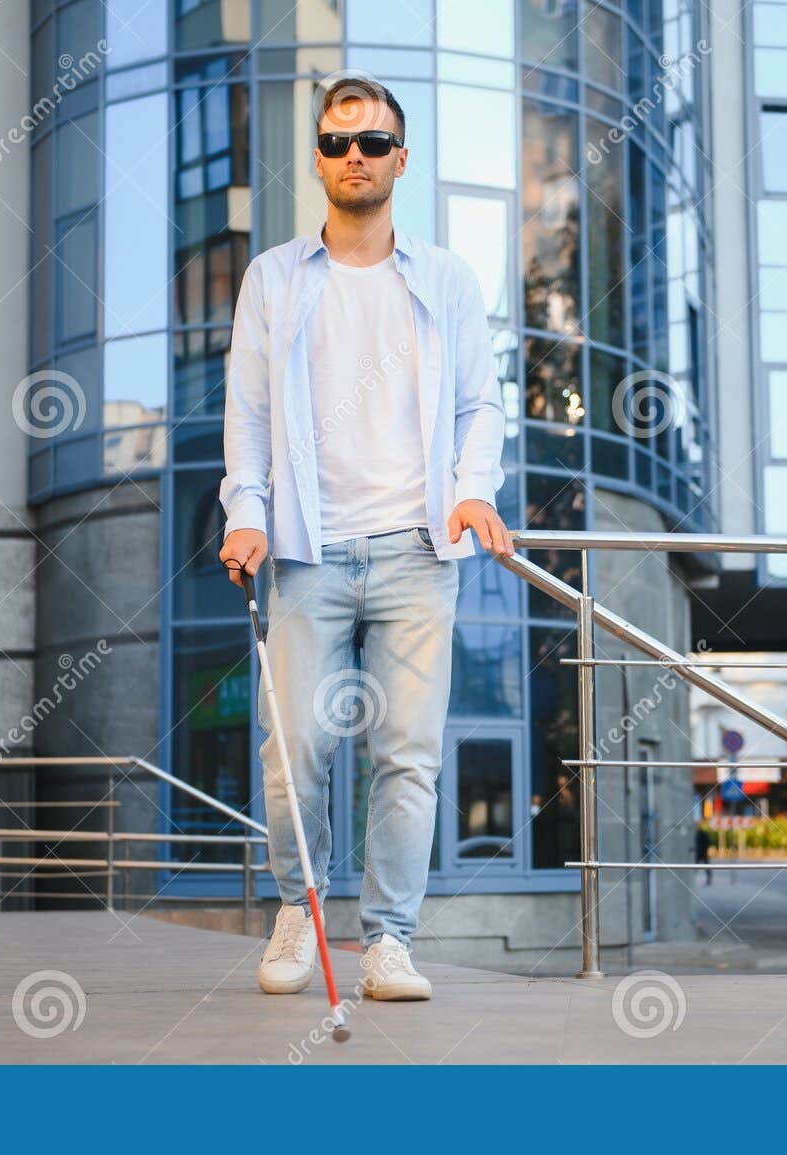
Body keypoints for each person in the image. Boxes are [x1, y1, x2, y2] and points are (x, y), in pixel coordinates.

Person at [218, 77, 512, 1001]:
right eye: (340, 142)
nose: (356, 156)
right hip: (306, 549)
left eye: (374, 143)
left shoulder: (447, 279)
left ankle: (388, 940)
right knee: (294, 748)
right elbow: (249, 413)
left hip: (419, 549)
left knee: (408, 755)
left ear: (400, 160)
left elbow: (479, 404)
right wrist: (246, 511)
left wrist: (471, 493)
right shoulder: (273, 277)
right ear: (317, 157)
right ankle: (299, 912)